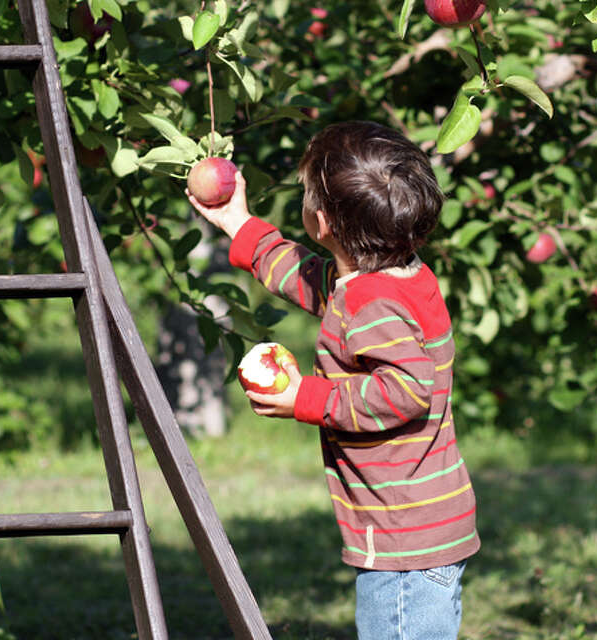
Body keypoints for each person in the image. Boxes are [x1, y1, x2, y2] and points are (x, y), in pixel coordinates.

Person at [187, 121, 480, 640]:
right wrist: (241, 224)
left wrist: (306, 396)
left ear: (320, 220)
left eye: (305, 195)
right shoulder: (391, 278)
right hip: (414, 529)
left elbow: (407, 391)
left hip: (404, 543)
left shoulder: (373, 305)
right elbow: (308, 278)